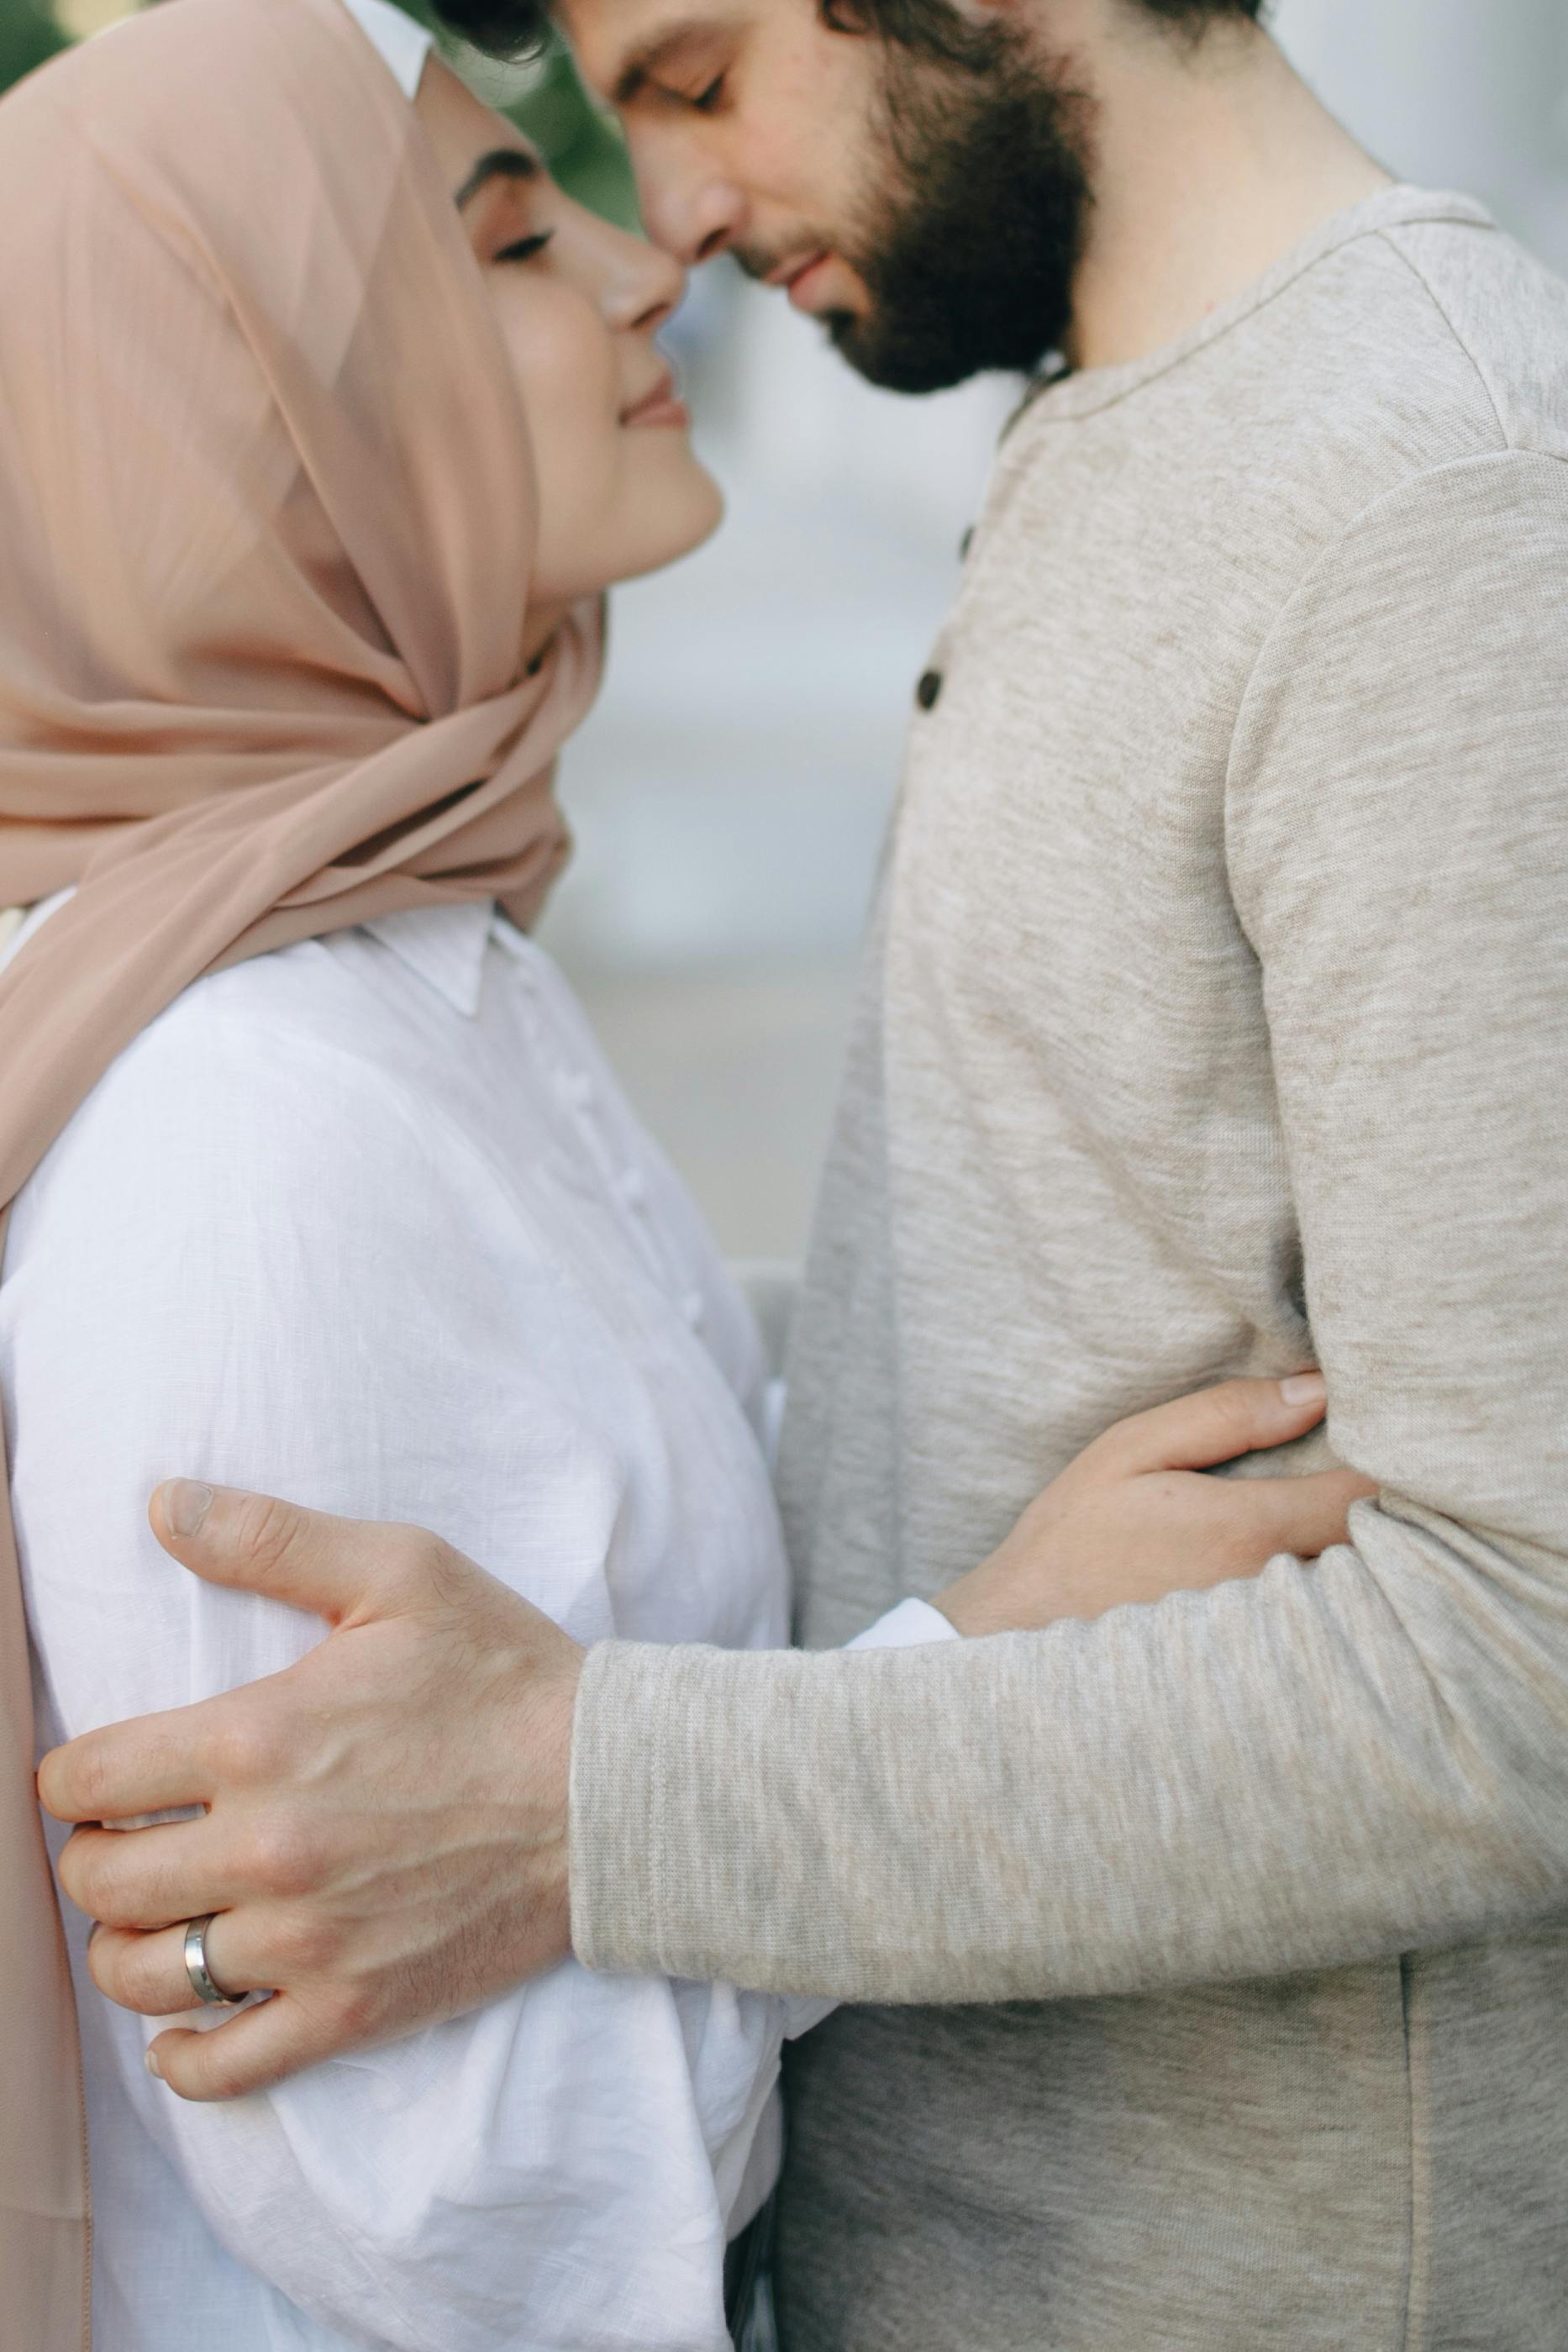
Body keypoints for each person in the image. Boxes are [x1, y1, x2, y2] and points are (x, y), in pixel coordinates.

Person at [33, 0, 1568, 2342]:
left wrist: (594, 1804)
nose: (667, 224)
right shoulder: (1123, 429)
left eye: (694, 77)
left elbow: (1524, 1658)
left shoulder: (1424, 518)